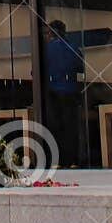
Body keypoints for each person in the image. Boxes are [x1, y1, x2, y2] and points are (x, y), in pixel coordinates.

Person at [41, 19, 84, 166]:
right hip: (71, 92)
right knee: (70, 128)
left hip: (53, 92)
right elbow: (80, 68)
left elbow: (37, 72)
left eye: (46, 33)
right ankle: (72, 161)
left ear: (51, 33)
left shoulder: (46, 50)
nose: (45, 36)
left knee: (55, 127)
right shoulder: (73, 48)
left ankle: (56, 161)